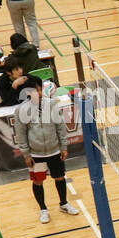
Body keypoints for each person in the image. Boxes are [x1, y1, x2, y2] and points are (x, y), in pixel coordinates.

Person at [13, 76, 80, 223]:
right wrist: (26, 154)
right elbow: (21, 133)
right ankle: (43, 209)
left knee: (60, 177)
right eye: (36, 91)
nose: (40, 93)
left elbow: (60, 127)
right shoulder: (21, 110)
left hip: (54, 150)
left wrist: (63, 147)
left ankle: (64, 203)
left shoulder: (52, 104)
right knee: (38, 182)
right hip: (35, 153)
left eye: (40, 89)